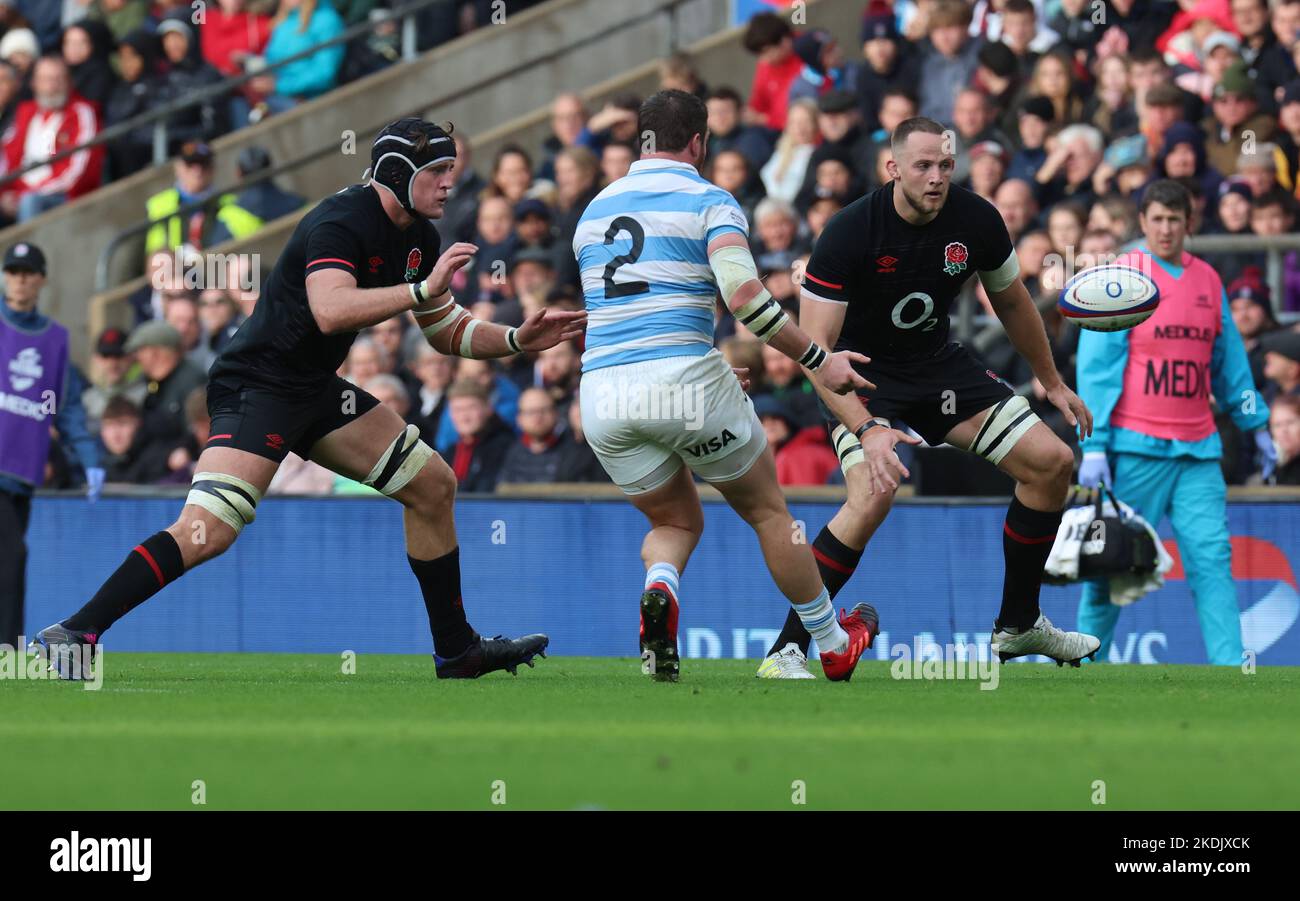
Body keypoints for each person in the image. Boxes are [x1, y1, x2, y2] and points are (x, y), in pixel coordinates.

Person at [29, 118, 585, 682]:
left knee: (432, 485)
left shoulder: (420, 236)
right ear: (398, 174)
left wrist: (516, 339)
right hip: (258, 384)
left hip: (314, 386)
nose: (449, 183)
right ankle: (74, 632)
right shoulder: (339, 220)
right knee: (209, 530)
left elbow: (444, 330)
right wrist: (420, 289)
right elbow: (331, 309)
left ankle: (456, 650)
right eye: (438, 171)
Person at [756, 116, 1100, 679]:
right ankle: (787, 649)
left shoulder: (977, 219)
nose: (937, 177)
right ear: (893, 168)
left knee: (1052, 462)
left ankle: (1018, 624)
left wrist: (1053, 381)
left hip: (936, 366)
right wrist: (869, 429)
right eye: (923, 166)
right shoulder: (849, 231)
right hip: (857, 376)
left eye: (945, 164)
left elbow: (1013, 301)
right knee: (873, 493)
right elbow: (815, 355)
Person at [573, 89, 880, 683]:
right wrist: (819, 359)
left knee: (675, 522)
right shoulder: (711, 200)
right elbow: (745, 298)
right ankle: (831, 642)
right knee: (768, 512)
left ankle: (660, 589)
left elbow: (627, 313)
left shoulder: (593, 211)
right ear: (699, 143)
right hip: (685, 380)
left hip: (603, 394)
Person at [1076, 179, 1269, 666]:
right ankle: (1082, 667)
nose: (1165, 229)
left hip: (1197, 451)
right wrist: (1094, 445)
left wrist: (1255, 422)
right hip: (1134, 449)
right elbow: (1097, 367)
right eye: (1156, 219)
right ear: (1142, 222)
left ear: (1189, 222)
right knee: (1110, 566)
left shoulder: (1207, 280)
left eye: (1174, 220)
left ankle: (1231, 673)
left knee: (1213, 563)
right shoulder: (1121, 277)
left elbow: (1228, 362)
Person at [0, 241, 103, 648]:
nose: (19, 280)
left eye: (27, 273)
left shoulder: (54, 340)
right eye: (13, 272)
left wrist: (90, 458)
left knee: (8, 560)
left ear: (41, 279)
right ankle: (6, 649)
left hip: (22, 475)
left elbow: (68, 407)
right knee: (13, 558)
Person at [0, 55, 102, 223]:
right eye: (45, 79)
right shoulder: (25, 113)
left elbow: (78, 171)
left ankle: (28, 249)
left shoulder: (80, 112)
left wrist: (25, 194)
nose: (52, 87)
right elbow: (7, 157)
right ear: (34, 83)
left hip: (62, 198)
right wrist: (4, 195)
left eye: (58, 79)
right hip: (20, 195)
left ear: (69, 82)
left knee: (30, 202)